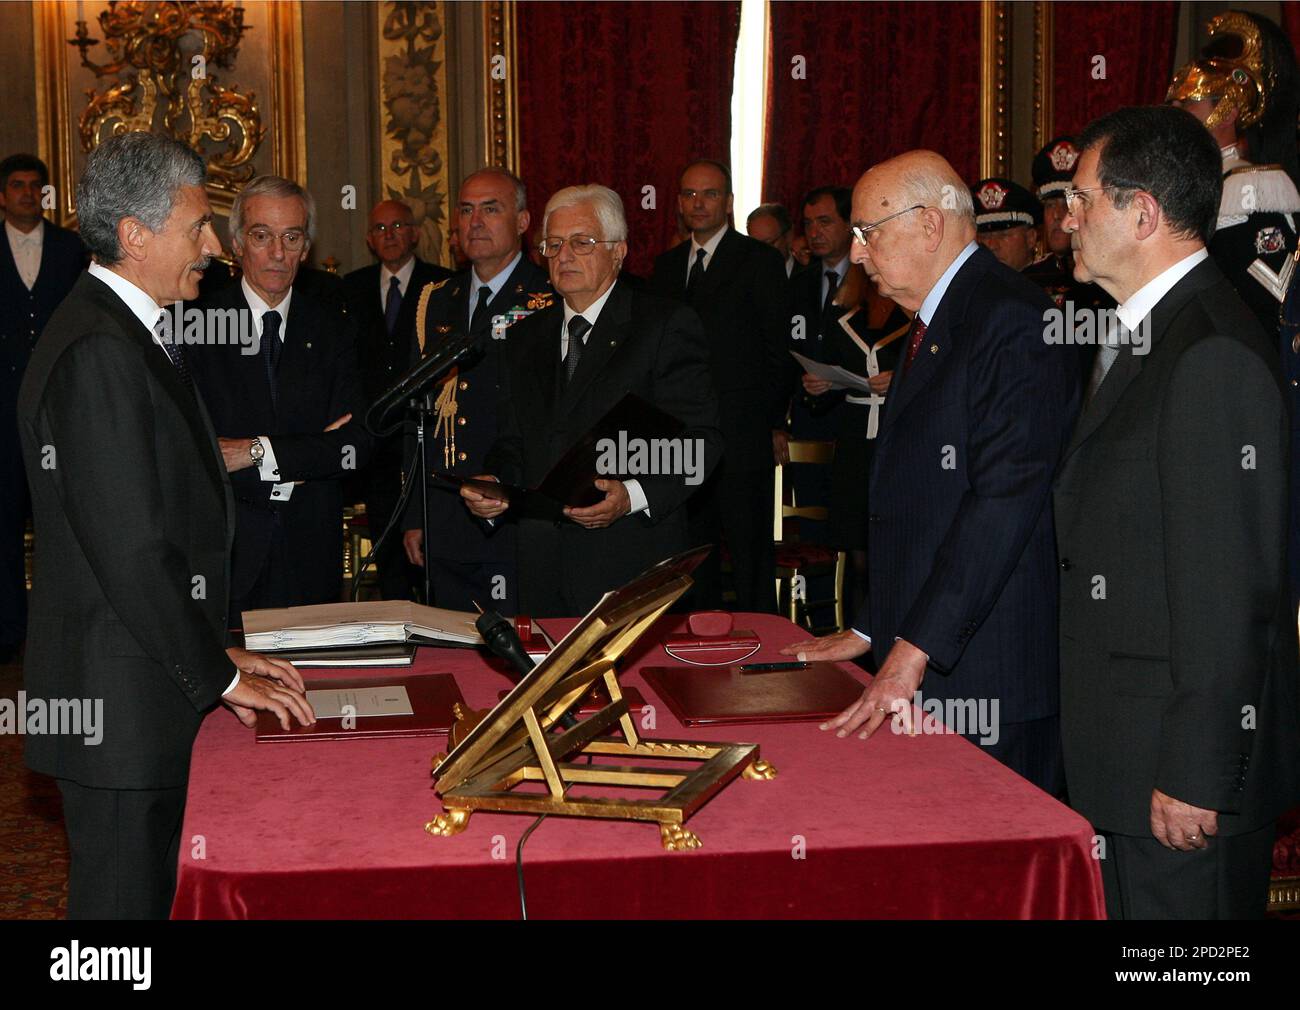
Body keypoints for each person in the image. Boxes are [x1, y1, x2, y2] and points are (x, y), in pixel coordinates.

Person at [17, 132, 313, 918]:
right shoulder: (100, 351)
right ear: (135, 235)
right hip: (117, 710)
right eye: (198, 229)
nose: (214, 248)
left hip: (138, 690)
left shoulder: (125, 331)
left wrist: (214, 646)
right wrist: (219, 677)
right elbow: (132, 552)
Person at [1055, 105, 1299, 919]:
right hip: (1126, 757)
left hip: (1180, 779)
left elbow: (1231, 594)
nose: (1067, 220)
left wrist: (1197, 773)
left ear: (1144, 213)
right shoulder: (1142, 333)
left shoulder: (1210, 354)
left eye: (1083, 199)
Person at [782, 150, 1078, 795]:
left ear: (929, 224)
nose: (858, 255)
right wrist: (870, 626)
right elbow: (919, 503)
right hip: (934, 653)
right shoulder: (944, 316)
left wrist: (911, 652)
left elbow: (1002, 503)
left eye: (868, 231)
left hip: (985, 670)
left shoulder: (1011, 317)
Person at [462, 184, 722, 616]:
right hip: (541, 565)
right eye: (554, 244)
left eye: (582, 243)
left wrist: (632, 494)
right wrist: (495, 485)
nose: (564, 256)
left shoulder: (663, 325)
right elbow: (513, 442)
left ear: (618, 251)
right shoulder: (524, 337)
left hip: (631, 557)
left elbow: (702, 443)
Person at [189, 175, 373, 629]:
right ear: (236, 244)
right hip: (225, 554)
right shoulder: (194, 327)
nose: (277, 253)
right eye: (261, 236)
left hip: (311, 552)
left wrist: (254, 451)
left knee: (314, 696)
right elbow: (191, 450)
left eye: (291, 237)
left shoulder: (335, 327)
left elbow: (357, 444)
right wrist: (309, 451)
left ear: (306, 248)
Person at [400, 168, 552, 612]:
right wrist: (416, 514)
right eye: (466, 210)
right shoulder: (436, 299)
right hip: (445, 510)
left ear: (523, 222)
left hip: (514, 512)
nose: (476, 221)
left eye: (491, 208)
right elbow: (417, 414)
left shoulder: (547, 297)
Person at [650, 160, 789, 613]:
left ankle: (765, 655)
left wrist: (768, 423)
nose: (698, 203)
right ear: (678, 204)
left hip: (742, 437)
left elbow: (777, 351)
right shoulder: (666, 267)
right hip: (682, 439)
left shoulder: (759, 260)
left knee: (750, 555)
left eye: (709, 194)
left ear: (728, 203)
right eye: (690, 194)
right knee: (692, 556)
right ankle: (696, 659)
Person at [342, 199, 453, 600]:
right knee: (386, 538)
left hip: (426, 431)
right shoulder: (351, 288)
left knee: (432, 534)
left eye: (397, 226)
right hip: (374, 437)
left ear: (415, 233)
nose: (389, 235)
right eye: (380, 229)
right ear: (370, 240)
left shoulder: (443, 284)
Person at [1168, 9, 1300, 343]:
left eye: (1189, 104)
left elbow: (1274, 305)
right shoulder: (1200, 185)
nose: (1179, 114)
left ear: (1229, 111)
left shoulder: (1247, 190)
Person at [0, 154, 84, 664]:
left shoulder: (72, 248)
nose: (27, 194)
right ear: (3, 195)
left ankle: (65, 633)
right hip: (1, 417)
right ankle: (9, 632)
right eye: (16, 186)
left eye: (35, 186)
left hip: (59, 411)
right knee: (4, 524)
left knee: (63, 524)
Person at [799, 264, 908, 618]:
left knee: (896, 551)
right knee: (858, 553)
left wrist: (903, 379)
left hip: (898, 438)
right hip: (855, 443)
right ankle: (857, 643)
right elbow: (828, 372)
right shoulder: (842, 315)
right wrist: (819, 386)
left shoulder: (918, 312)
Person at [784, 186, 857, 549]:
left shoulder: (871, 279)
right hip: (808, 420)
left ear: (849, 225)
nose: (815, 232)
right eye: (809, 223)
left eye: (825, 222)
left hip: (854, 423)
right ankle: (812, 606)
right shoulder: (799, 283)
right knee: (811, 533)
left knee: (853, 533)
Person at [971, 177, 1041, 272]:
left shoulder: (1048, 282)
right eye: (984, 236)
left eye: (1003, 235)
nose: (992, 246)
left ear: (1030, 238)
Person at [746, 203, 797, 277]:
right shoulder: (744, 278)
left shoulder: (810, 278)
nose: (760, 252)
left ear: (788, 237)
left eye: (769, 244)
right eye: (755, 245)